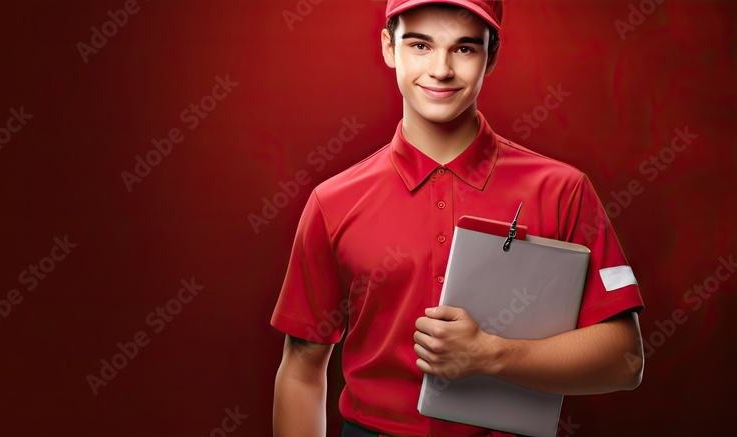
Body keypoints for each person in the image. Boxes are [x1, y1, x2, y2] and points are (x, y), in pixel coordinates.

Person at [270, 1, 646, 436]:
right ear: (389, 47)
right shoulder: (332, 201)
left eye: (464, 49)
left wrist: (491, 354)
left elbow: (626, 359)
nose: (441, 69)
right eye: (420, 45)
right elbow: (300, 367)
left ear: (493, 54)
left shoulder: (562, 189)